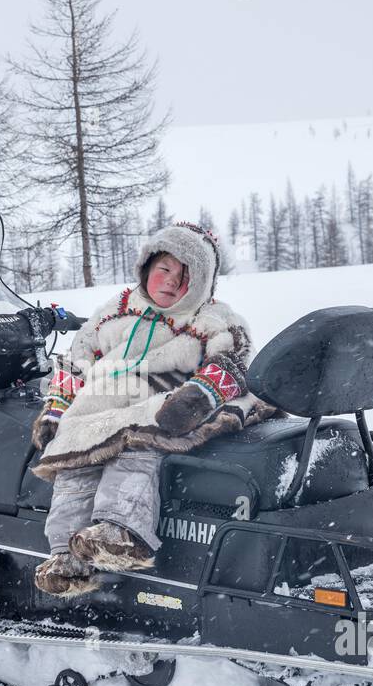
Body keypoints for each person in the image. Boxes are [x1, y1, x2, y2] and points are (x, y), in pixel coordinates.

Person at [29, 222, 275, 596]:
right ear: (147, 267)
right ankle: (67, 557)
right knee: (71, 464)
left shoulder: (213, 317)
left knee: (137, 449)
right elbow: (76, 360)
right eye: (165, 269)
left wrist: (197, 396)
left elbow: (233, 362)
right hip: (99, 406)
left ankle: (121, 534)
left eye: (186, 275)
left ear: (203, 283)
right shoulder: (114, 309)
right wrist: (57, 409)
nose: (172, 282)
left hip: (160, 404)